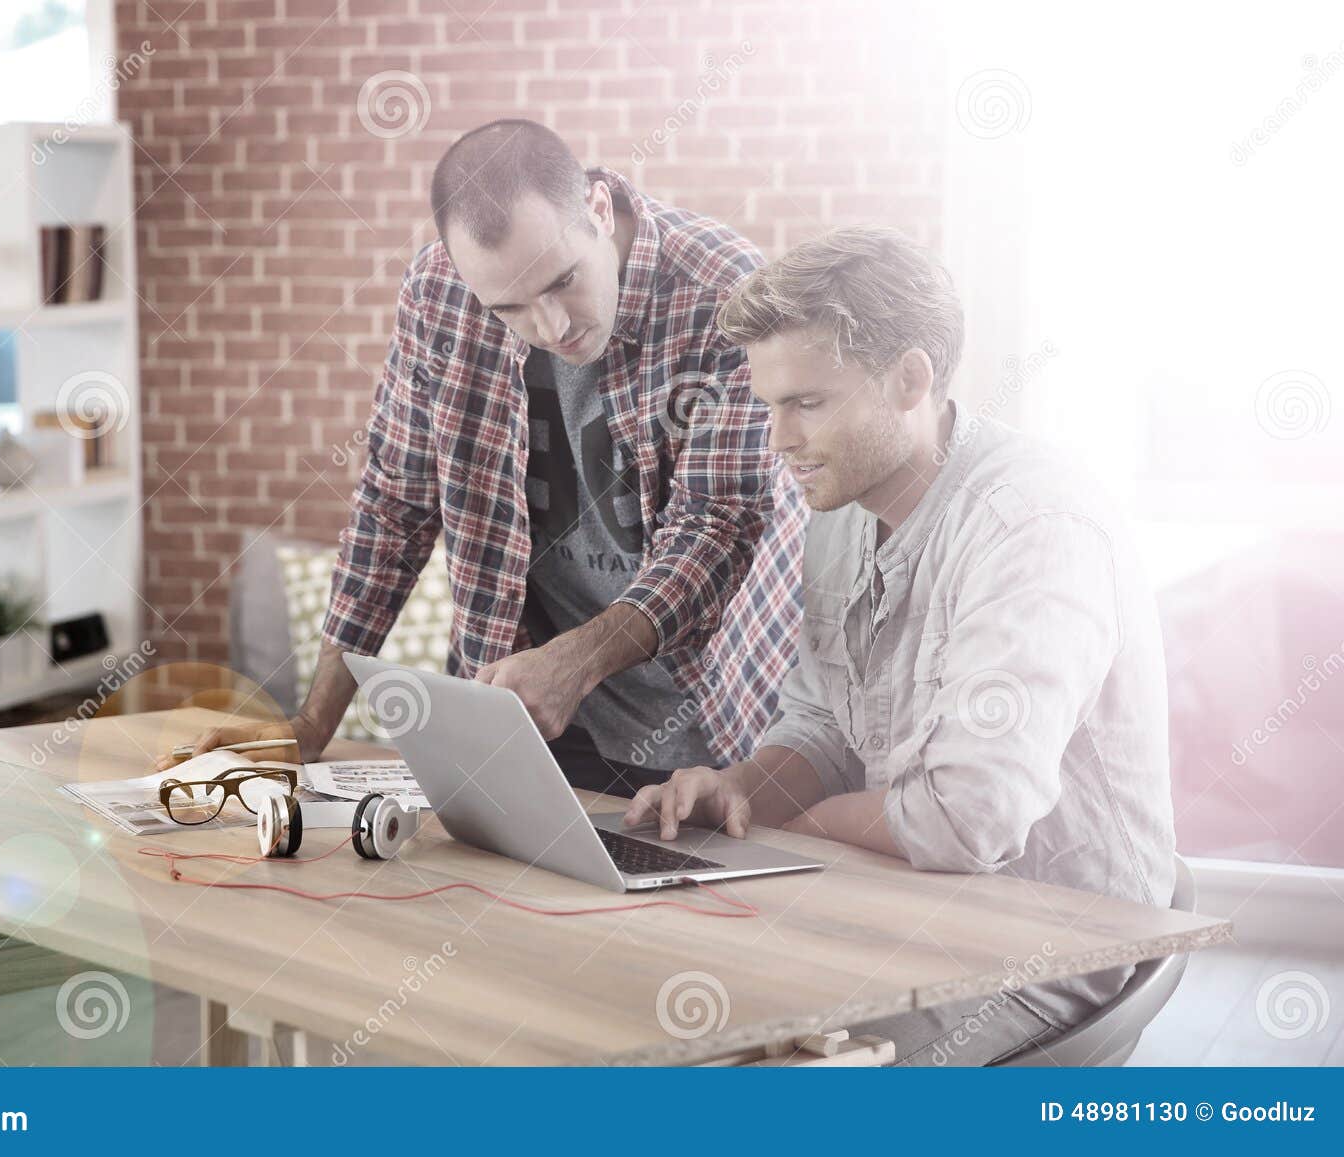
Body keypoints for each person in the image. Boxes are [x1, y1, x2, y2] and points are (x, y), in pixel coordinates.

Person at [624, 224, 1177, 1065]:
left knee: (754, 1078)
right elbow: (820, 725)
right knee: (662, 1018)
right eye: (770, 404)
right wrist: (741, 792)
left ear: (910, 378)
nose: (779, 440)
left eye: (806, 403)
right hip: (910, 903)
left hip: (1049, 941)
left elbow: (968, 817)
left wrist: (794, 829)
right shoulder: (843, 508)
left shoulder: (1030, 526)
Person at [165, 119, 806, 795]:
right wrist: (310, 726)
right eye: (511, 309)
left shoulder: (720, 288)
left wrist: (577, 661)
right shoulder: (441, 290)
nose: (553, 326)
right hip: (528, 725)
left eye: (563, 281)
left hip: (708, 729)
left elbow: (719, 525)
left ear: (594, 207)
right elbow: (395, 506)